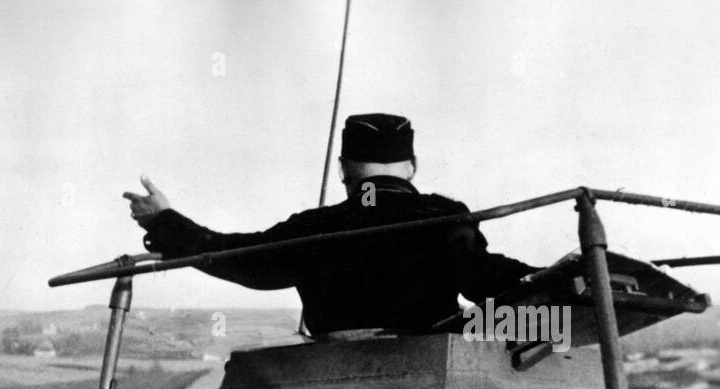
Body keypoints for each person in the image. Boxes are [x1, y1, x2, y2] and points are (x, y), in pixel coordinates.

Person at [124, 112, 538, 335]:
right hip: (427, 379)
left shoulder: (314, 228)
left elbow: (239, 258)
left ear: (343, 170)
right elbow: (483, 279)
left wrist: (164, 220)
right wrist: (580, 273)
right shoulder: (443, 217)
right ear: (412, 167)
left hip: (329, 387)